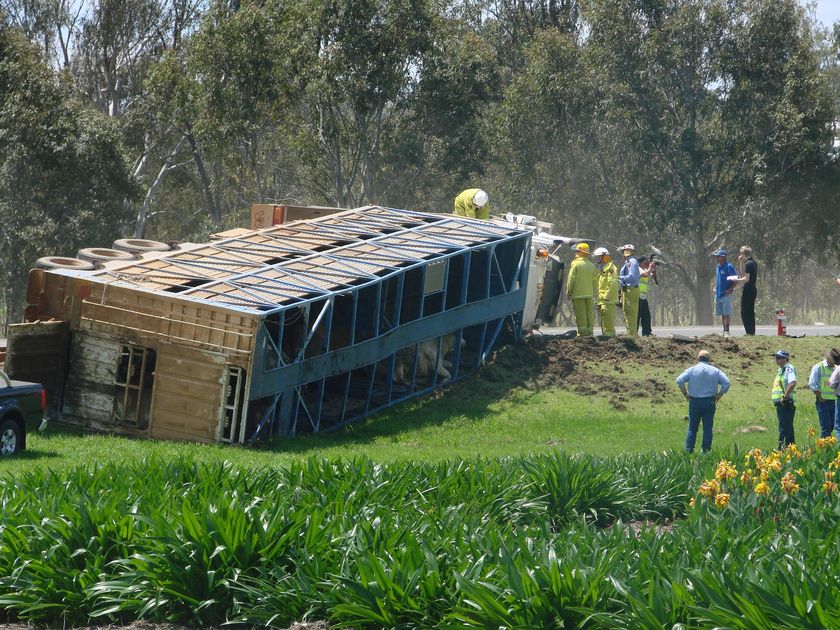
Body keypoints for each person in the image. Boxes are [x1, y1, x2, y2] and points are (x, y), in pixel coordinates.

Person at [676, 349, 730, 453]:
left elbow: (679, 380)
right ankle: (706, 450)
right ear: (709, 359)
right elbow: (726, 382)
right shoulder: (715, 370)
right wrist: (720, 395)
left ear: (698, 358)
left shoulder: (692, 370)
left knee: (692, 428)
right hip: (709, 401)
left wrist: (686, 394)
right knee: (708, 428)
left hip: (695, 401)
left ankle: (689, 450)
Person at [566, 243, 597, 336]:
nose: (575, 252)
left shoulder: (575, 264)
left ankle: (583, 334)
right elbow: (595, 282)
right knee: (589, 314)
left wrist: (569, 291)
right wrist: (593, 292)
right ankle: (590, 332)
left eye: (577, 251)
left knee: (580, 314)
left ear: (579, 252)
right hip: (589, 294)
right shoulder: (592, 265)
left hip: (578, 294)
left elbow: (571, 279)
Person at [808, 350, 838, 438]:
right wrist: (819, 396)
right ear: (829, 359)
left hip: (834, 401)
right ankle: (821, 448)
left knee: (833, 425)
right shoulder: (818, 367)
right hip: (823, 401)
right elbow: (812, 384)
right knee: (826, 427)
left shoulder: (836, 368)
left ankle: (824, 446)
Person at [771, 350, 797, 448]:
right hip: (781, 403)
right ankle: (790, 449)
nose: (776, 360)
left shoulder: (788, 369)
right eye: (776, 357)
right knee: (787, 428)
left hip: (785, 403)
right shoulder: (780, 370)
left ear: (786, 359)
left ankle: (780, 450)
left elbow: (792, 383)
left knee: (784, 428)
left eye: (779, 358)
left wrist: (784, 397)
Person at [594, 247, 619, 337]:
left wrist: (606, 296)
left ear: (604, 257)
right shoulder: (603, 269)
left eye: (599, 257)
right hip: (602, 300)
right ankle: (606, 339)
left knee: (608, 324)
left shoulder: (611, 268)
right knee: (603, 323)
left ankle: (610, 340)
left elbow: (612, 283)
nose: (597, 259)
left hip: (608, 300)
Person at [713, 248, 737, 337]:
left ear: (723, 257)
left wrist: (730, 289)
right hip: (718, 294)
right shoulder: (718, 267)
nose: (717, 258)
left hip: (726, 295)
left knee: (726, 313)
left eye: (718, 256)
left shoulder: (729, 266)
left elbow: (735, 280)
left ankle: (727, 331)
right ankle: (723, 330)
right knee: (722, 314)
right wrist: (716, 288)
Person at [617, 244, 640, 337]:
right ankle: (630, 333)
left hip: (631, 290)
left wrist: (619, 278)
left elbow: (632, 277)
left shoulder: (632, 262)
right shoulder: (628, 262)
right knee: (627, 312)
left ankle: (632, 335)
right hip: (627, 290)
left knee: (631, 313)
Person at [737, 246, 758, 335]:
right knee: (749, 311)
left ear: (742, 254)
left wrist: (735, 280)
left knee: (745, 312)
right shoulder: (751, 262)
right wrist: (741, 263)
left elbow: (746, 279)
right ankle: (750, 331)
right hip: (751, 289)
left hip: (749, 289)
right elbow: (743, 274)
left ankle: (749, 332)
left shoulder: (749, 264)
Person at [637, 256, 656, 336]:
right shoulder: (638, 269)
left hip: (643, 297)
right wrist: (650, 267)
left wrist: (652, 268)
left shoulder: (645, 270)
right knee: (637, 317)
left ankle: (647, 333)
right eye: (645, 263)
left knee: (646, 316)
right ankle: (634, 333)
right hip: (637, 297)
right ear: (640, 263)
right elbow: (645, 275)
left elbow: (651, 275)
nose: (646, 264)